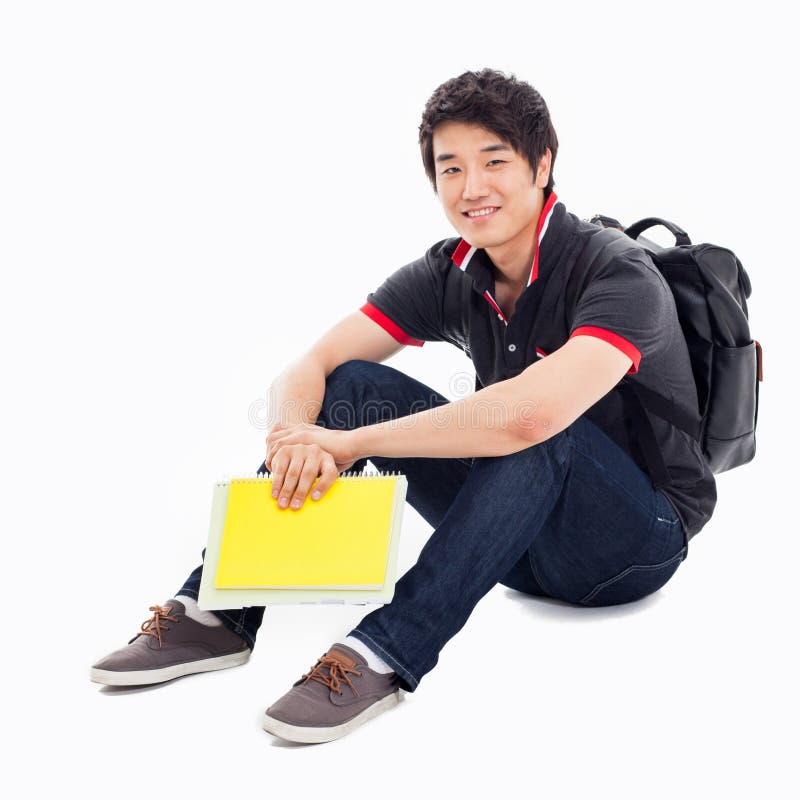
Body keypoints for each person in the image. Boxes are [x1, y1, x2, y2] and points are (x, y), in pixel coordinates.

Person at [90, 68, 716, 744]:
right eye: (451, 169)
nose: (472, 188)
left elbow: (529, 417)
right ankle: (217, 611)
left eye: (494, 162)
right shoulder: (453, 270)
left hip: (632, 544)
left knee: (537, 425)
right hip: (516, 542)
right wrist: (295, 434)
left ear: (543, 164)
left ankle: (382, 653)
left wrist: (351, 446)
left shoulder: (616, 272)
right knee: (353, 386)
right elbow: (312, 365)